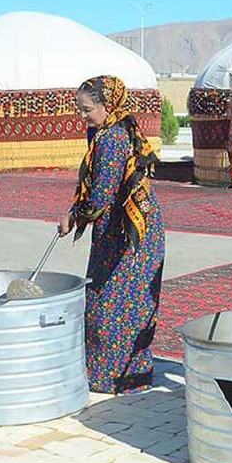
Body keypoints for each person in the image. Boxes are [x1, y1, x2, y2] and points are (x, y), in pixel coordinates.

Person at [58, 75, 165, 394]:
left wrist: (73, 216)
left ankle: (108, 378)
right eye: (79, 109)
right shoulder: (119, 128)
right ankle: (132, 375)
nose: (82, 116)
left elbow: (100, 196)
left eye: (87, 109)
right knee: (130, 303)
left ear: (107, 105)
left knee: (109, 305)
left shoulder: (110, 139)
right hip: (132, 230)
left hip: (127, 235)